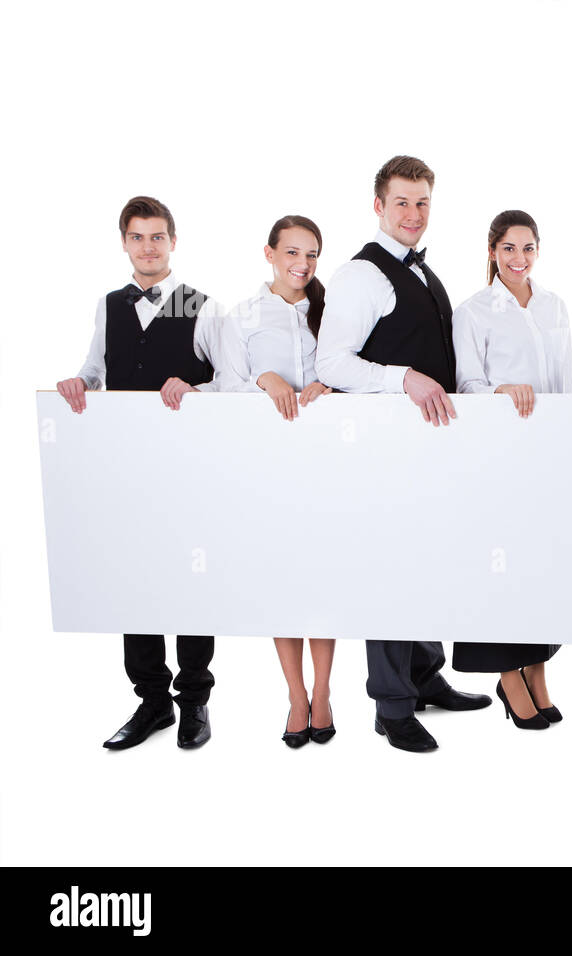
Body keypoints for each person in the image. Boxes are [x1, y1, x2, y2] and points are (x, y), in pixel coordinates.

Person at [315, 155, 490, 753]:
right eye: (402, 203)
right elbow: (331, 363)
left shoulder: (421, 269)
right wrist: (404, 379)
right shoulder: (360, 276)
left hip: (429, 449)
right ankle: (391, 706)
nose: (413, 215)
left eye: (422, 203)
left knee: (427, 558)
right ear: (377, 206)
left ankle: (422, 675)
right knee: (389, 565)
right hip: (384, 453)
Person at [55, 195, 225, 750]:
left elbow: (231, 381)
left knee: (191, 582)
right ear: (124, 243)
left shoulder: (200, 305)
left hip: (188, 469)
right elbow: (95, 369)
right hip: (128, 468)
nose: (148, 247)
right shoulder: (109, 304)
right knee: (136, 580)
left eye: (157, 237)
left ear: (173, 241)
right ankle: (151, 702)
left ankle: (194, 701)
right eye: (137, 237)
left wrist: (195, 387)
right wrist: (78, 382)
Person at [450, 209, 572, 729]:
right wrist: (502, 390)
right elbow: (467, 384)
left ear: (537, 251)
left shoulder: (554, 306)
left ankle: (537, 667)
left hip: (546, 452)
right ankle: (507, 674)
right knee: (497, 565)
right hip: (498, 455)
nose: (518, 259)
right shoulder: (474, 311)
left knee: (538, 565)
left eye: (527, 248)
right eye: (508, 249)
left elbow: (566, 380)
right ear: (492, 253)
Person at [225, 215, 338, 746]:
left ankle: (323, 693)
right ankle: (295, 695)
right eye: (292, 253)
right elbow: (225, 387)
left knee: (322, 580)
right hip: (267, 468)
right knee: (282, 584)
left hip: (322, 466)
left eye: (311, 255)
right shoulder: (243, 315)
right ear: (269, 253)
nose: (302, 265)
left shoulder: (327, 310)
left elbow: (344, 369)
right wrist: (263, 380)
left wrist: (326, 386)